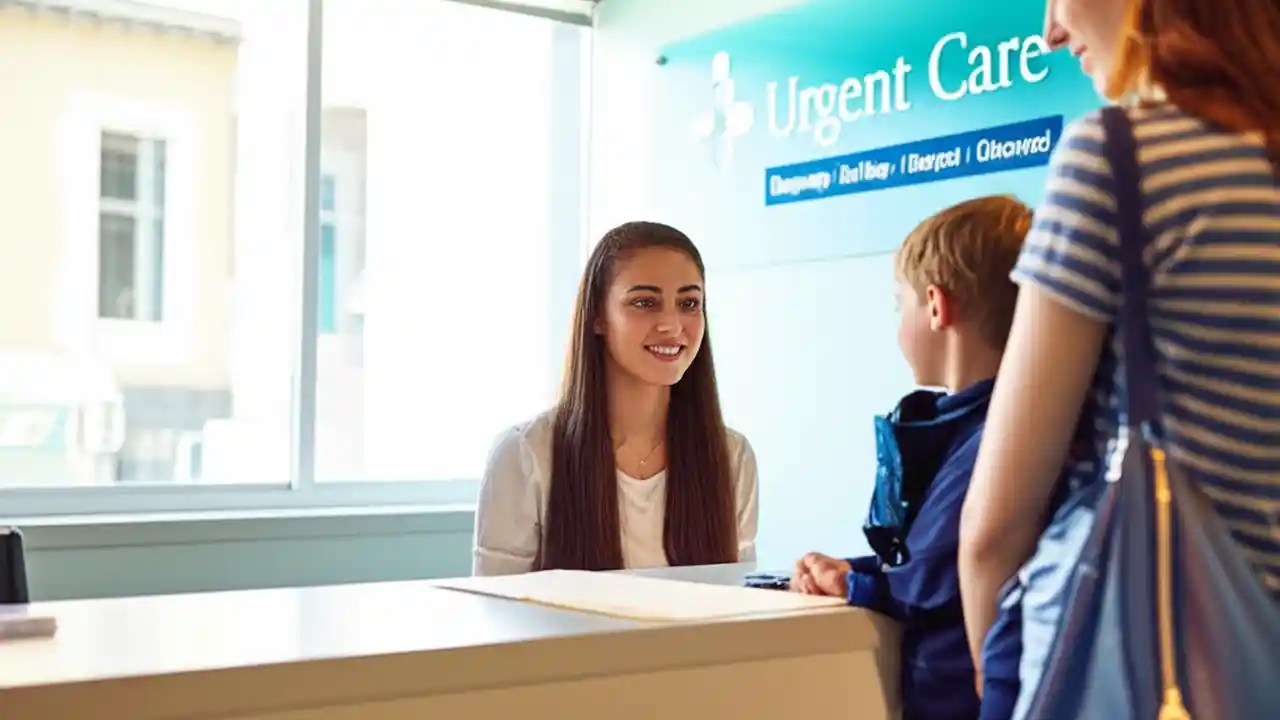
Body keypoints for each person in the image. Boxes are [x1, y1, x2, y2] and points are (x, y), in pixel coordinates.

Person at [958, 0, 1280, 717]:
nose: (1048, 29)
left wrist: (1005, 676)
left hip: (1150, 671)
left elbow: (995, 525)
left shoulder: (1121, 157)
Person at [792, 196, 1033, 720]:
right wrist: (855, 568)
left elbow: (928, 581)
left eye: (897, 304)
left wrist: (853, 584)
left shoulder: (991, 439)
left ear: (935, 305)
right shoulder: (991, 426)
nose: (898, 321)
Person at [472, 221, 759, 575]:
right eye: (644, 302)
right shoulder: (525, 453)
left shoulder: (732, 457)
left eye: (689, 303)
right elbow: (497, 610)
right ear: (597, 318)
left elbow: (741, 612)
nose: (671, 323)